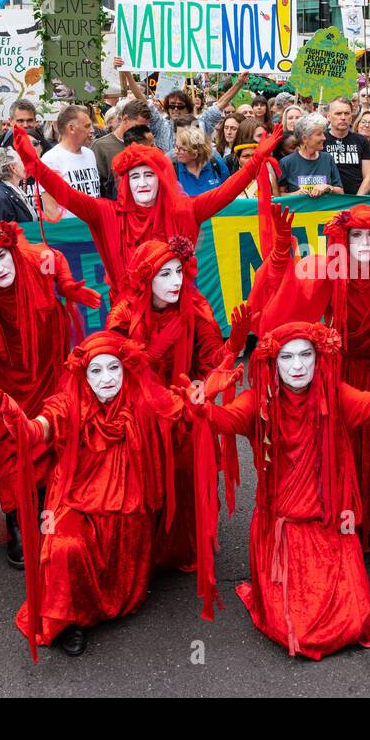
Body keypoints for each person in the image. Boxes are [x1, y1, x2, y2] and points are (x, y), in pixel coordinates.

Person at [180, 320, 370, 659]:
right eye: (287, 357)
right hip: (283, 533)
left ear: (318, 357)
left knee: (354, 622)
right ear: (271, 363)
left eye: (306, 355)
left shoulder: (335, 395)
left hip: (331, 528)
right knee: (298, 633)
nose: (297, 366)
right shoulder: (256, 402)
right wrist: (202, 408)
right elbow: (225, 420)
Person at [252, 203, 370, 558]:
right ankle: (346, 519)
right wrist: (280, 251)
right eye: (357, 236)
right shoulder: (328, 269)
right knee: (341, 451)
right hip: (338, 374)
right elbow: (289, 297)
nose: (365, 245)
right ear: (344, 240)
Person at [0, 333, 182, 657]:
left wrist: (210, 387)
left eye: (113, 367)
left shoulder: (142, 397)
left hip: (128, 510)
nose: (107, 378)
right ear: (83, 375)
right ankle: (68, 621)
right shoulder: (69, 403)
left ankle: (103, 602)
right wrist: (17, 418)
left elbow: (184, 414)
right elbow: (37, 431)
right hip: (78, 504)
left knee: (123, 573)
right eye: (96, 371)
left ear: (125, 369)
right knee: (62, 548)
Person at [0, 222, 100, 565]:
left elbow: (55, 257)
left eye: (1, 256)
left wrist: (68, 285)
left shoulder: (32, 258)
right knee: (8, 443)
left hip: (46, 362)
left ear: (12, 250)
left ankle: (50, 502)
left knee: (53, 430)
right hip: (3, 376)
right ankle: (18, 517)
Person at [11, 126, 276, 305]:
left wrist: (254, 163)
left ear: (161, 179)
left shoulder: (184, 211)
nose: (142, 183)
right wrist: (35, 165)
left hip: (178, 313)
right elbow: (67, 194)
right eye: (134, 177)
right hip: (129, 317)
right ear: (125, 183)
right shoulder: (107, 213)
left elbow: (225, 194)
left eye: (148, 175)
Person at [106, 238, 236, 572]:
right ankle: (148, 550)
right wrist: (152, 353)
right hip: (140, 410)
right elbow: (112, 370)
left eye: (178, 271)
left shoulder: (195, 305)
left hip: (183, 407)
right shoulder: (125, 312)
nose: (176, 282)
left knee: (186, 472)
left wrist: (212, 370)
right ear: (146, 279)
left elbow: (212, 357)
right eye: (165, 274)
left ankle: (186, 547)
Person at [39, 105, 102, 219]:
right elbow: (50, 209)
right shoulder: (50, 160)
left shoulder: (89, 154)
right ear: (71, 128)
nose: (92, 130)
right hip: (71, 232)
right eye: (87, 126)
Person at [278, 114, 342, 195]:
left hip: (325, 207)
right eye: (319, 134)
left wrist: (328, 187)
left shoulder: (327, 158)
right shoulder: (287, 162)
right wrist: (295, 194)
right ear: (305, 138)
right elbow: (280, 194)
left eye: (323, 133)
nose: (324, 138)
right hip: (300, 207)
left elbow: (341, 191)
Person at [92, 98, 140, 198]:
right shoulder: (100, 146)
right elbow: (98, 184)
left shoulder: (144, 142)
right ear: (124, 119)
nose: (143, 129)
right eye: (139, 124)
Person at [324, 97, 370, 194]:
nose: (343, 117)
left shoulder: (362, 141)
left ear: (351, 116)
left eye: (347, 113)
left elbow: (368, 177)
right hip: (329, 200)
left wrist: (357, 200)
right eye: (338, 114)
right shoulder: (321, 140)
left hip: (356, 198)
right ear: (328, 116)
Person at [173, 125, 230, 197]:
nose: (176, 151)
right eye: (176, 147)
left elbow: (229, 192)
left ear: (196, 152)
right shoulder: (173, 170)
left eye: (182, 149)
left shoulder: (216, 165)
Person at [0, 147, 36, 223]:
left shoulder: (13, 191)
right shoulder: (0, 197)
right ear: (12, 167)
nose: (26, 165)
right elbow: (4, 231)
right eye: (22, 161)